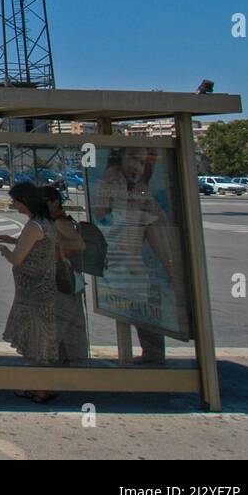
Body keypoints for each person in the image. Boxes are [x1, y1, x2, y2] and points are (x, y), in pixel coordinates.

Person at [90, 148, 180, 365]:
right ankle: (151, 356)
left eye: (142, 163)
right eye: (133, 158)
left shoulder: (143, 202)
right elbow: (101, 216)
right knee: (139, 316)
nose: (136, 167)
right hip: (113, 271)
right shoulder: (109, 190)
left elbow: (162, 231)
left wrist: (172, 273)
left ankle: (153, 357)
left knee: (145, 317)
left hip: (132, 273)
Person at [0, 181, 60, 402]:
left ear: (25, 201)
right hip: (44, 290)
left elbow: (17, 258)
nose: (15, 205)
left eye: (16, 201)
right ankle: (43, 386)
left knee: (34, 342)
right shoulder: (46, 223)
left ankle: (38, 389)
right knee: (42, 341)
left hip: (33, 293)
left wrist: (4, 250)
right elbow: (36, 247)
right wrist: (13, 240)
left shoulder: (34, 226)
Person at [42, 185, 89, 364]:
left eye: (44, 202)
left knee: (55, 328)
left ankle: (46, 372)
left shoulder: (61, 222)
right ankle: (73, 365)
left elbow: (79, 244)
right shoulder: (54, 221)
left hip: (63, 279)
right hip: (67, 280)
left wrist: (55, 244)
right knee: (72, 329)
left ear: (55, 202)